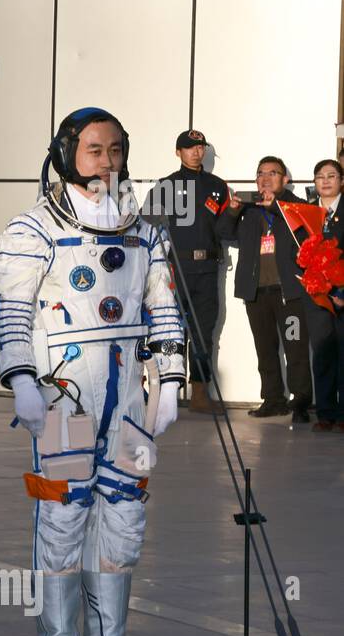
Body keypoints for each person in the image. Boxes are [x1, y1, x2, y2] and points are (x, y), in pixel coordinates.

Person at [0, 107, 185, 636]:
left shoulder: (145, 230)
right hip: (65, 396)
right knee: (65, 517)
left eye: (116, 149)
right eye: (95, 149)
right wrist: (20, 377)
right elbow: (6, 311)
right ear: (67, 153)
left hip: (126, 397)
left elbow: (164, 305)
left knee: (124, 517)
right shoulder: (32, 230)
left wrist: (169, 378)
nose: (108, 161)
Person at [141, 129, 233, 413]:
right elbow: (147, 229)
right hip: (173, 270)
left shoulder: (218, 186)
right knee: (169, 331)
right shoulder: (165, 187)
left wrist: (235, 213)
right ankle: (166, 391)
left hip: (207, 270)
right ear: (178, 152)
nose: (196, 152)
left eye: (201, 147)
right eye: (190, 147)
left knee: (204, 333)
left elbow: (225, 230)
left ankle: (200, 393)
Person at [216, 157, 313, 421]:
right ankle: (273, 400)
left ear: (285, 179)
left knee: (295, 348)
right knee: (265, 348)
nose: (266, 178)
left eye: (273, 173)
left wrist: (276, 208)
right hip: (256, 293)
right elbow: (222, 232)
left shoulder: (297, 206)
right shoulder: (249, 208)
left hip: (289, 293)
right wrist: (234, 209)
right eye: (261, 173)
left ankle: (301, 403)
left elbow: (307, 236)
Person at [303, 159, 344, 432]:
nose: (326, 181)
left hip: (343, 295)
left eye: (332, 176)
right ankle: (326, 413)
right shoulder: (306, 214)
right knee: (322, 354)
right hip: (316, 296)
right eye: (320, 177)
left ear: (341, 180)